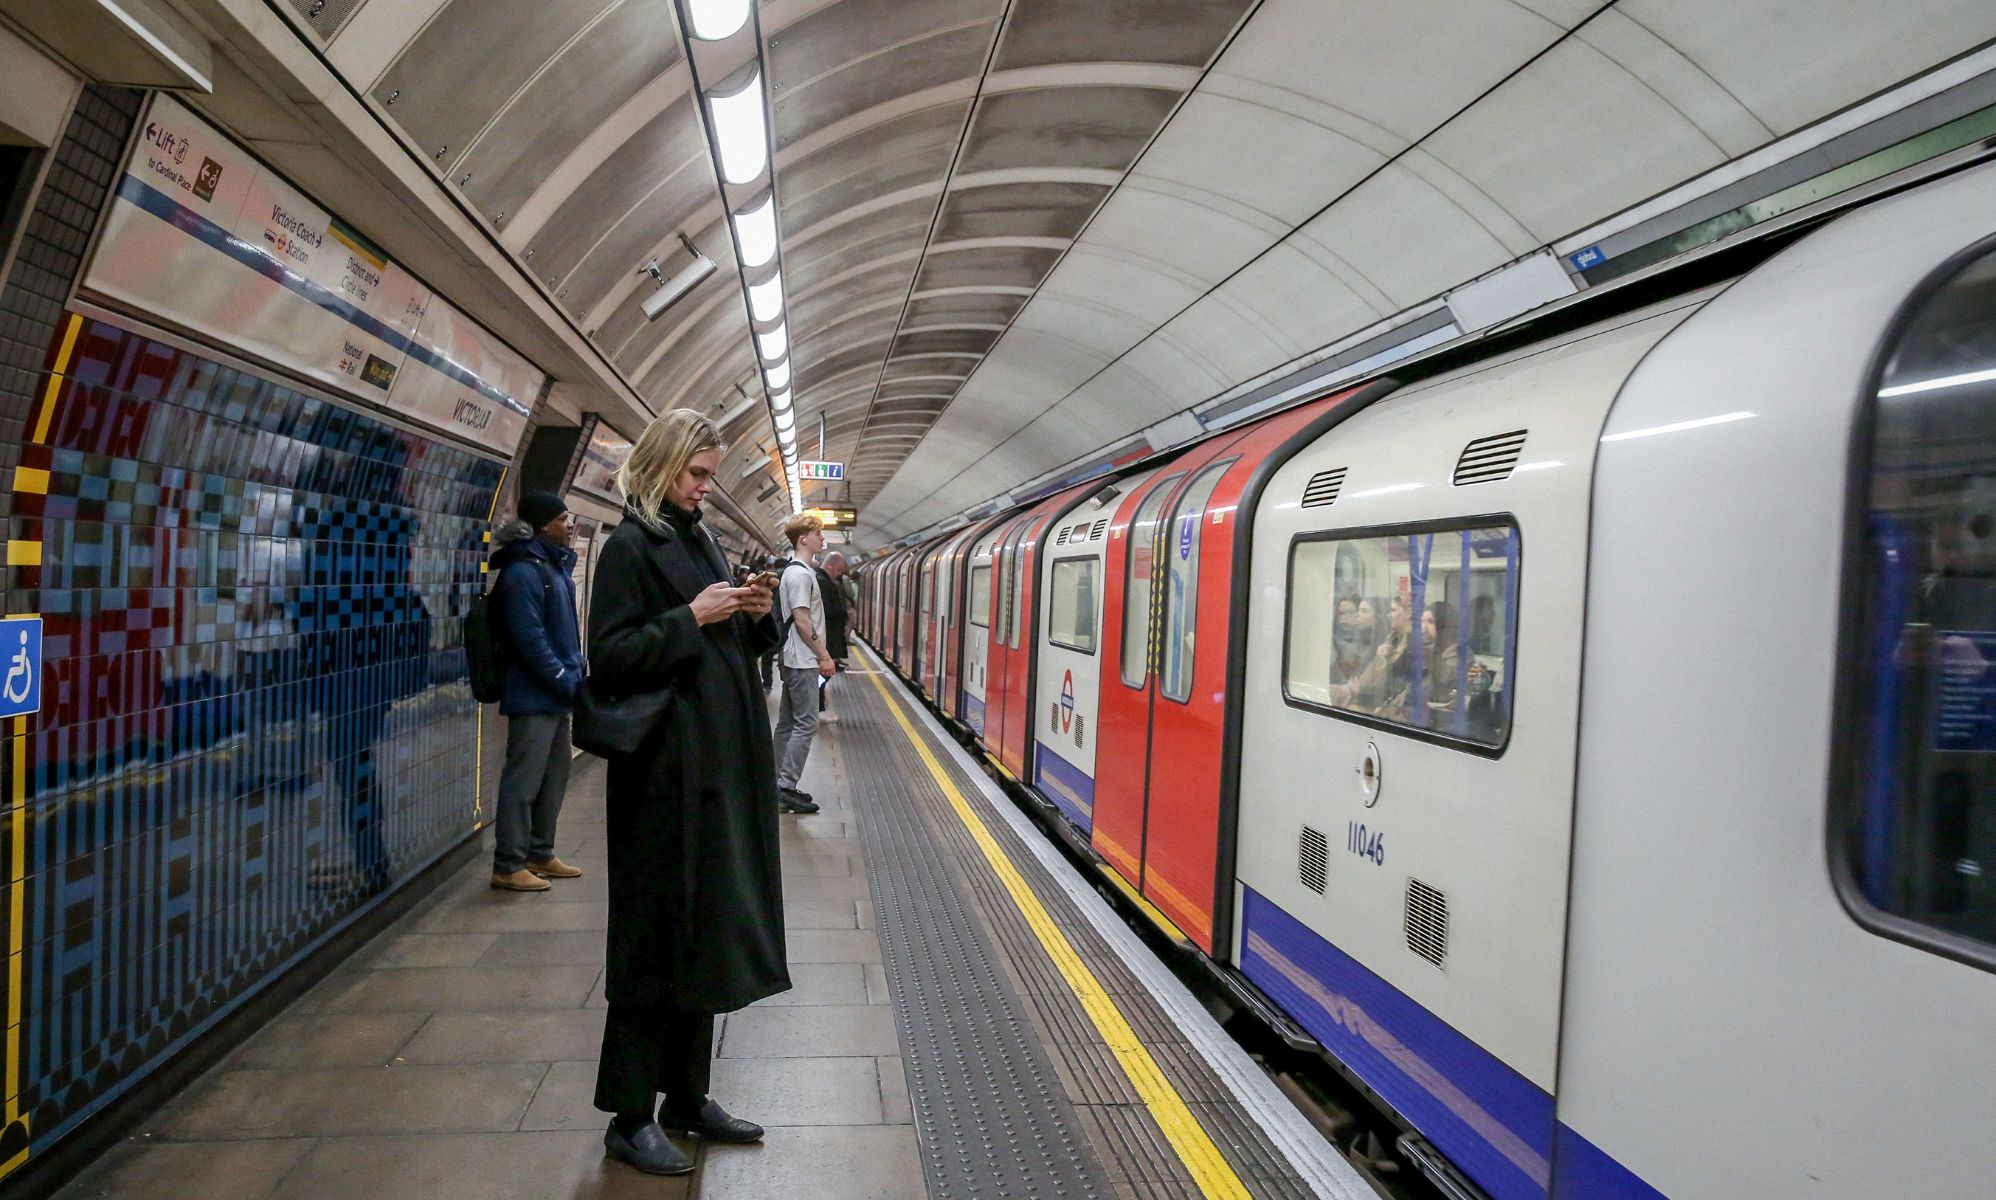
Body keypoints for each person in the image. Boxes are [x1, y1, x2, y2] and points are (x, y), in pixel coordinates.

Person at [585, 408, 789, 1177]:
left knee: (702, 934)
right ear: (661, 464)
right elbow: (610, 658)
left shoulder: (699, 538)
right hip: (664, 780)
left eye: (709, 475)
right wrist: (691, 615)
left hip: (718, 773)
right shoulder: (631, 546)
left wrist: (755, 618)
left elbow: (721, 644)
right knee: (651, 940)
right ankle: (629, 1115)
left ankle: (687, 1098)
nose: (705, 487)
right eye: (696, 473)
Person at [488, 492, 585, 892]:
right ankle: (508, 864)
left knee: (555, 775)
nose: (570, 525)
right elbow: (528, 638)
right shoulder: (524, 571)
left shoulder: (554, 567)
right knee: (523, 781)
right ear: (544, 524)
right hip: (534, 694)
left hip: (557, 693)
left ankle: (539, 852)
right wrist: (563, 676)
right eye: (564, 518)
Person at [771, 513, 835, 813]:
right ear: (803, 539)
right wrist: (823, 655)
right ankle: (786, 785)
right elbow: (801, 620)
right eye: (818, 533)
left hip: (795, 658)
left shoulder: (797, 571)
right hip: (803, 659)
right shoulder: (800, 575)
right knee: (806, 723)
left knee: (787, 724)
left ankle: (776, 783)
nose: (822, 538)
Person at [816, 550, 852, 724]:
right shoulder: (823, 583)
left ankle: (820, 706)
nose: (839, 575)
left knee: (823, 674)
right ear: (830, 566)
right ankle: (819, 707)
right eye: (838, 570)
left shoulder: (822, 580)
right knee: (822, 674)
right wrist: (844, 612)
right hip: (826, 638)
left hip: (827, 637)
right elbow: (826, 610)